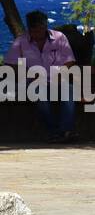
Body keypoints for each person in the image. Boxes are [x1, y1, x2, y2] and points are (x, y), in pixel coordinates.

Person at [2, 10, 77, 142]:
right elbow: (10, 64)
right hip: (33, 82)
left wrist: (60, 76)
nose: (36, 34)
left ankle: (66, 131)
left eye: (39, 30)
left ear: (45, 26)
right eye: (33, 30)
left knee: (69, 89)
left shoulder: (60, 37)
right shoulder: (21, 42)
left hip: (57, 80)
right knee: (39, 93)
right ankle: (53, 132)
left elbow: (69, 60)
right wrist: (28, 74)